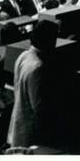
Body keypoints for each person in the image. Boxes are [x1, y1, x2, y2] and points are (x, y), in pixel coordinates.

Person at [8, 18, 65, 150]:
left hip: (19, 124)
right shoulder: (38, 67)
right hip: (31, 135)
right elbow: (39, 109)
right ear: (49, 39)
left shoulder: (23, 56)